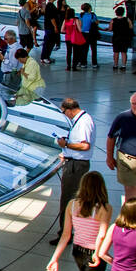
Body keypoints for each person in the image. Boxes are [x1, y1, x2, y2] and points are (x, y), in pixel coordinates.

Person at [49, 97, 96, 243]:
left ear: (69, 110)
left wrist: (66, 144)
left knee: (68, 200)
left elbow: (84, 146)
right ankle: (67, 232)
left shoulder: (84, 122)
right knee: (69, 199)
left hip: (76, 166)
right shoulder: (79, 120)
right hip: (73, 163)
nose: (64, 115)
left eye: (64, 112)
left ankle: (66, 233)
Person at [109, 5, 133, 73]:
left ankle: (115, 65)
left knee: (116, 52)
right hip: (125, 38)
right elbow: (131, 27)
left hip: (116, 37)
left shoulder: (113, 20)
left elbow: (110, 29)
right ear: (123, 12)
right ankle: (123, 66)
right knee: (124, 52)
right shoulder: (127, 19)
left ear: (116, 13)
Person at [62, 7, 85, 71]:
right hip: (75, 38)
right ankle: (74, 66)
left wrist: (68, 32)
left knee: (69, 52)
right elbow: (80, 30)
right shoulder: (76, 20)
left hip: (67, 38)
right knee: (76, 52)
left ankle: (68, 66)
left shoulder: (65, 20)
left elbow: (62, 30)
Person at [79, 2, 99, 70]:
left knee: (84, 49)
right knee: (93, 49)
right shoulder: (92, 15)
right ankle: (94, 63)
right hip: (92, 33)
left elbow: (80, 24)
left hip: (83, 33)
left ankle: (83, 63)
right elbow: (96, 22)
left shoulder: (81, 15)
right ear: (89, 8)